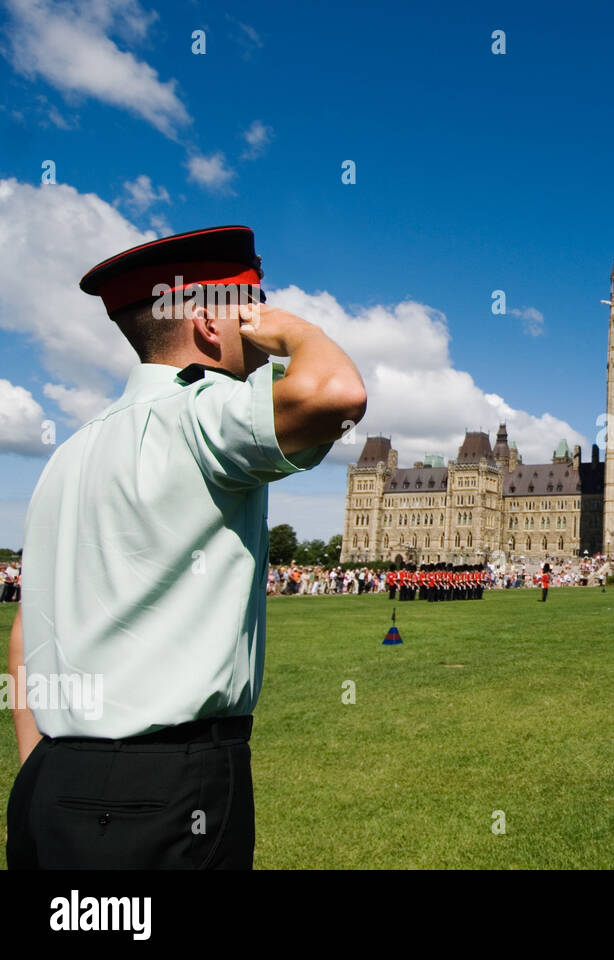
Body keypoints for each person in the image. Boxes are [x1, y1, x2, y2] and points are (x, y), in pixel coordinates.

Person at [7, 225, 365, 869]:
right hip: (167, 793)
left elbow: (26, 629)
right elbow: (335, 395)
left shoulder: (69, 454)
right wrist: (298, 331)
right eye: (250, 305)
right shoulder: (203, 411)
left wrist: (42, 765)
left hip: (50, 787)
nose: (259, 325)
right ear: (207, 324)